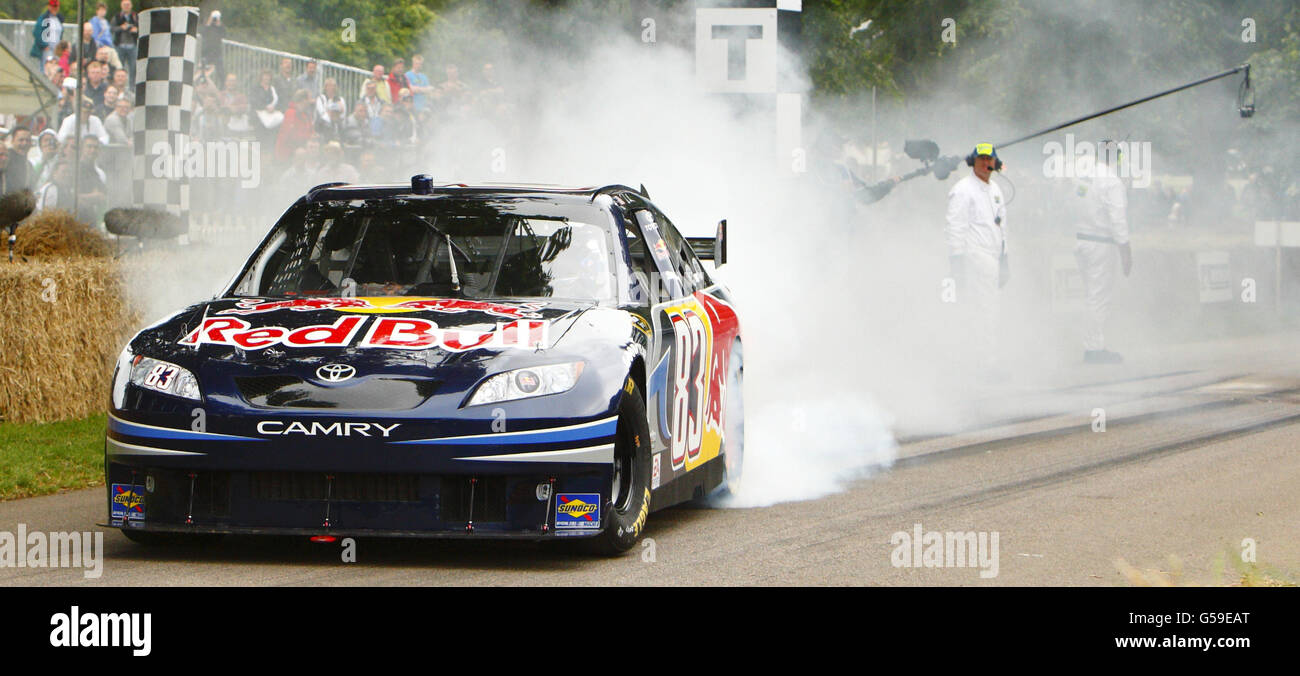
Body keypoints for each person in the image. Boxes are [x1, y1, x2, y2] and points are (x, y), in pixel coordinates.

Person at [945, 142, 1009, 376]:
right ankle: (985, 365)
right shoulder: (963, 189)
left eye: (989, 159)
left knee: (989, 311)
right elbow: (955, 226)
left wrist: (1005, 258)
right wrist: (957, 261)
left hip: (992, 257)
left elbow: (1002, 227)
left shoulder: (995, 190)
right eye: (981, 159)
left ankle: (980, 362)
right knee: (985, 311)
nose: (985, 163)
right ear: (973, 161)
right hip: (975, 256)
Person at [1073, 140, 1131, 364]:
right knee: (1099, 298)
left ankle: (1092, 343)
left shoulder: (1084, 177)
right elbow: (1118, 219)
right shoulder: (1112, 182)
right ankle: (1094, 349)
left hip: (1081, 240)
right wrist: (1125, 250)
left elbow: (1075, 203)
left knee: (1090, 296)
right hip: (1101, 243)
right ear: (1115, 158)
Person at [111, 0, 138, 85]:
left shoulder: (135, 16)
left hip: (132, 45)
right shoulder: (117, 16)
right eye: (124, 4)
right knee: (119, 68)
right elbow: (112, 29)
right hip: (120, 45)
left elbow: (142, 28)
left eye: (128, 4)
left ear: (131, 5)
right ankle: (118, 87)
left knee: (133, 68)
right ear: (121, 6)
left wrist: (136, 30)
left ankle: (132, 88)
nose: (126, 6)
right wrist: (121, 28)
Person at [30, 1, 64, 68]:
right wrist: (44, 46)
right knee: (46, 68)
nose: (55, 8)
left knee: (55, 69)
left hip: (56, 50)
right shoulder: (44, 18)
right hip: (47, 49)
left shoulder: (59, 19)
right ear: (49, 6)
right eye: (53, 6)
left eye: (56, 6)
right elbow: (37, 33)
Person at [201, 10, 226, 84]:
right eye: (213, 18)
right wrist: (208, 22)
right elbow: (202, 32)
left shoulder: (220, 27)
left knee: (220, 71)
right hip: (206, 52)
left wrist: (219, 25)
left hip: (217, 53)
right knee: (204, 70)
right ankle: (203, 83)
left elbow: (224, 34)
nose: (214, 20)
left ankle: (222, 86)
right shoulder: (207, 26)